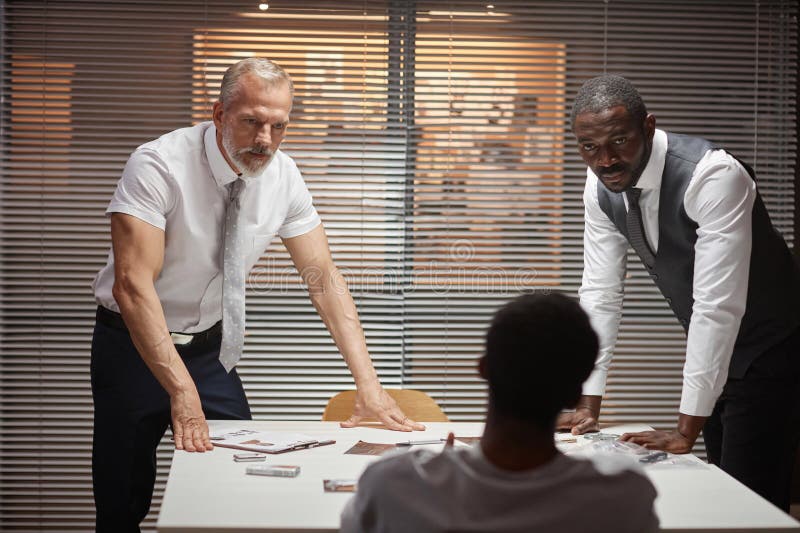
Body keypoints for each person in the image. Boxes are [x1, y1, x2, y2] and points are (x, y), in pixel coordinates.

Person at [90, 57, 424, 533]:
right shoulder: (158, 164)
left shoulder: (284, 175)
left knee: (239, 479)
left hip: (208, 352)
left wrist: (368, 387)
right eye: (251, 122)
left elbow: (324, 278)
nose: (264, 140)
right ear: (219, 114)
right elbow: (132, 285)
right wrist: (181, 391)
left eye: (278, 126)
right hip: (130, 348)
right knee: (121, 503)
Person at [559, 74, 800, 511]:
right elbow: (600, 292)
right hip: (718, 347)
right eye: (589, 147)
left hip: (773, 345)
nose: (606, 159)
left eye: (620, 141)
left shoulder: (713, 175)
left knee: (751, 503)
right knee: (722, 488)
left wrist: (685, 430)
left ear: (648, 127)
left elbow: (716, 307)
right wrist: (587, 403)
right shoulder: (599, 187)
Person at [341, 292, 659, 533]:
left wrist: (441, 475)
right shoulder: (623, 497)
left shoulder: (394, 483)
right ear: (576, 393)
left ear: (483, 368)